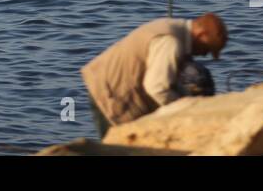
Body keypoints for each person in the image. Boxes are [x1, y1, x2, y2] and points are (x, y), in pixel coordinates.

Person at [81, 13, 228, 138]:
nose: (204, 54)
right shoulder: (170, 42)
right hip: (110, 94)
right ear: (201, 35)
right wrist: (184, 110)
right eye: (208, 49)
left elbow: (164, 82)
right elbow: (157, 88)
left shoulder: (174, 27)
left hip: (110, 86)